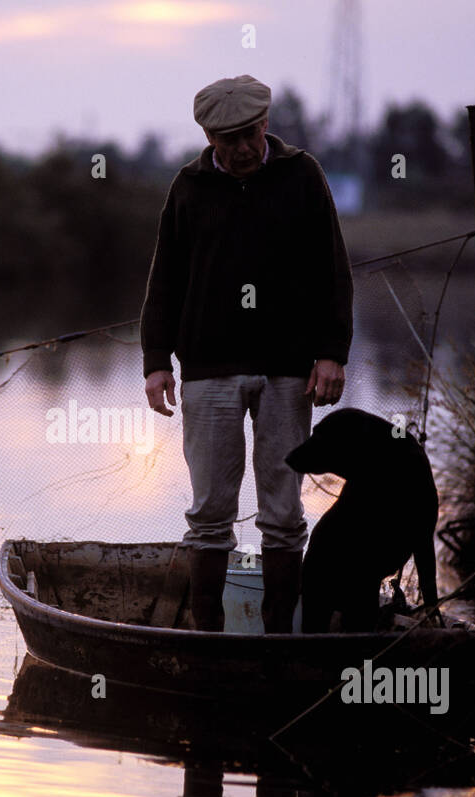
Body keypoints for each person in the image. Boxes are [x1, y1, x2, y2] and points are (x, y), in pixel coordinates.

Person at [139, 74, 354, 633]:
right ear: (209, 136)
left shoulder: (302, 176)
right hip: (209, 368)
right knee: (210, 513)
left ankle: (279, 637)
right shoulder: (188, 187)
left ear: (266, 126)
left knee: (283, 514)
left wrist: (331, 353)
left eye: (248, 135)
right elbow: (165, 278)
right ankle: (208, 636)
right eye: (226, 138)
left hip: (290, 369)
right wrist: (156, 360)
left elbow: (333, 269)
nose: (240, 149)